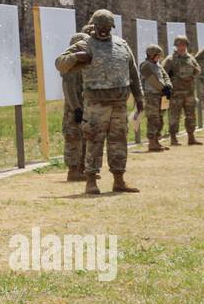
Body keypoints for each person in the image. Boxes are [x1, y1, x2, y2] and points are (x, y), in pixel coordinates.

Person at [55, 10, 143, 196]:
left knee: (118, 142)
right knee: (94, 141)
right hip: (96, 105)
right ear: (94, 26)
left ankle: (119, 180)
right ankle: (91, 181)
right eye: (100, 27)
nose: (103, 31)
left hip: (119, 104)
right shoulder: (85, 44)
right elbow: (60, 63)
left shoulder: (121, 44)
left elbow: (133, 73)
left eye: (107, 28)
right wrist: (76, 57)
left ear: (111, 27)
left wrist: (139, 98)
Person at [57, 23, 95, 180]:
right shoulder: (70, 67)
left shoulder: (82, 65)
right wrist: (76, 109)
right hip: (74, 111)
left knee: (84, 138)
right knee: (73, 139)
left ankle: (82, 168)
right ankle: (73, 170)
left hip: (84, 108)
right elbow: (69, 90)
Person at [163, 34, 202, 146]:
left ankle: (191, 137)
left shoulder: (190, 58)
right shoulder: (170, 59)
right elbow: (163, 73)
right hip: (176, 93)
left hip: (189, 92)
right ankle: (173, 137)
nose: (182, 47)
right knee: (174, 115)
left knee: (191, 116)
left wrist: (194, 70)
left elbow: (198, 70)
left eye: (184, 45)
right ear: (176, 46)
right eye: (179, 45)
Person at [138, 43, 172, 151]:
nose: (159, 57)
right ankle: (152, 143)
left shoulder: (158, 65)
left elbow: (166, 76)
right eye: (157, 55)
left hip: (161, 96)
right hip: (151, 96)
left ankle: (157, 141)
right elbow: (152, 80)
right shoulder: (145, 65)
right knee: (153, 119)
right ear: (151, 55)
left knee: (160, 119)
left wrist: (168, 86)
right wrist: (163, 88)